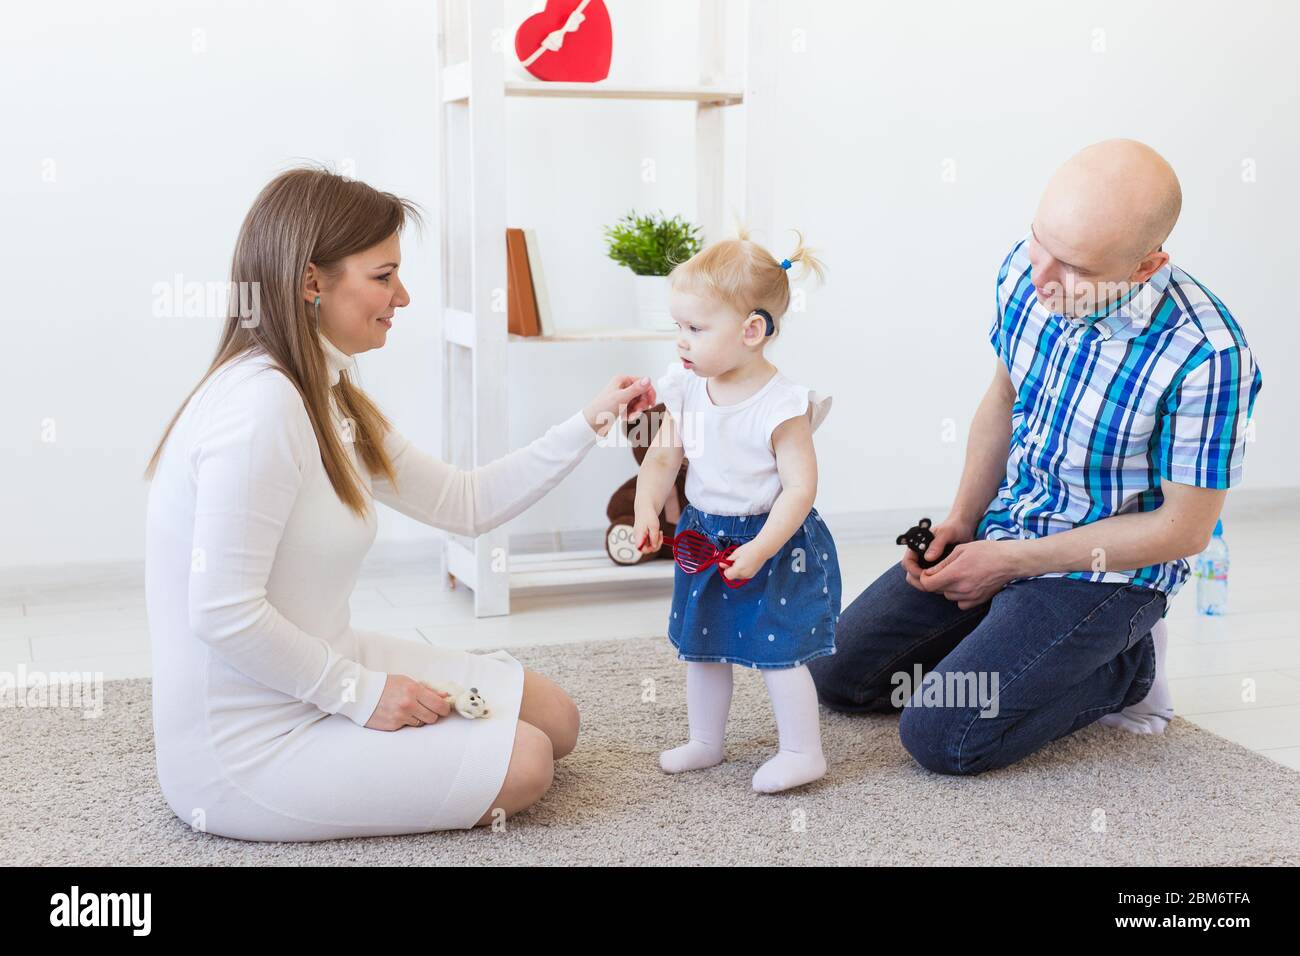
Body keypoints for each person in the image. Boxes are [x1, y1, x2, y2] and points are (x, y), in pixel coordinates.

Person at [143, 166, 656, 839]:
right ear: (310, 282)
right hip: (247, 743)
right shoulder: (259, 409)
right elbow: (220, 615)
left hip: (322, 659)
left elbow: (465, 502)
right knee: (527, 762)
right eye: (384, 276)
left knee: (557, 720)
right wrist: (362, 695)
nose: (403, 296)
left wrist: (589, 422)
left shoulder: (325, 391)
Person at [809, 139, 1263, 774]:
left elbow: (1182, 531)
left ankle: (1125, 670)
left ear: (1145, 266)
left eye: (1075, 267)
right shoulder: (1030, 275)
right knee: (835, 676)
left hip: (1106, 576)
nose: (1042, 276)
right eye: (1038, 241)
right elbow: (1001, 396)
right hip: (1008, 527)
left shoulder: (1208, 356)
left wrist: (1008, 564)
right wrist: (962, 522)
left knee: (943, 737)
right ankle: (1011, 637)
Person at [634, 230, 840, 793]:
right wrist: (647, 509)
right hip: (704, 535)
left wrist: (761, 549)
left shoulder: (782, 405)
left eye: (695, 328)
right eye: (678, 326)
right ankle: (706, 739)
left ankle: (802, 751)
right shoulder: (687, 387)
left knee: (780, 651)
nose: (681, 340)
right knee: (702, 642)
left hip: (772, 540)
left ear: (753, 330)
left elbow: (799, 489)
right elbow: (661, 458)